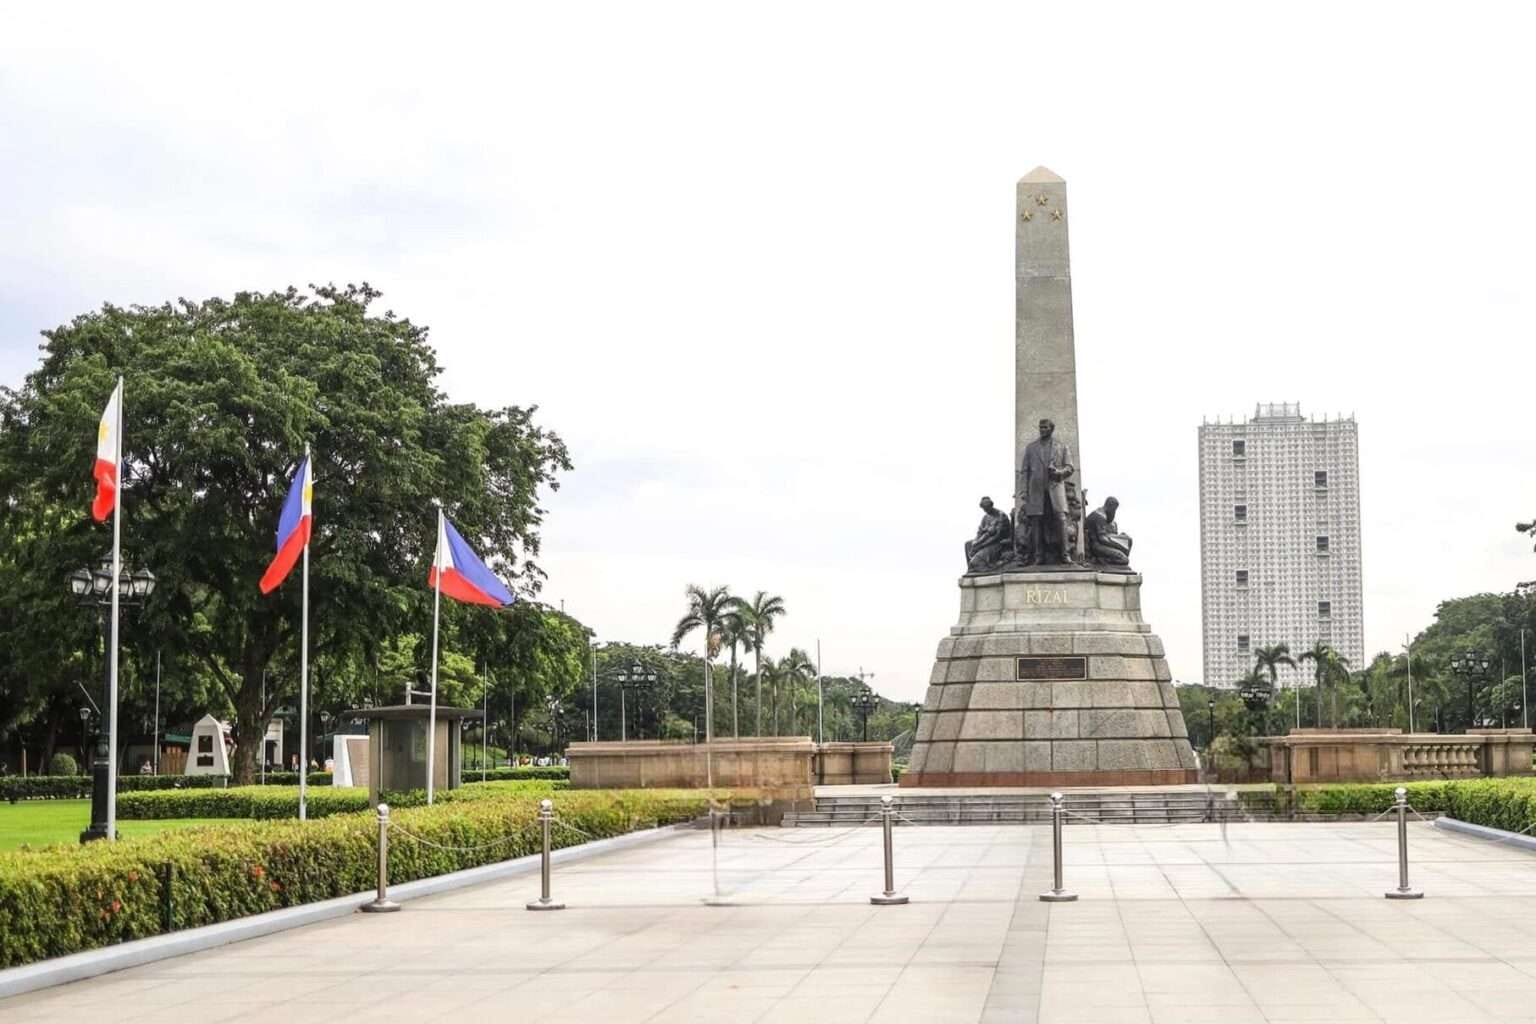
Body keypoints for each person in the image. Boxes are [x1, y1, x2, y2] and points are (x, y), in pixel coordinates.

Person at [1017, 417, 1075, 565]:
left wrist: (1059, 473)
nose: (1042, 430)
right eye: (1040, 427)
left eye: (1045, 427)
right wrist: (1023, 491)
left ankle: (1065, 554)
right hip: (1036, 490)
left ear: (1051, 429)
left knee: (1061, 520)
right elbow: (1024, 471)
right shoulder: (1031, 448)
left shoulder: (1062, 447)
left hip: (1055, 488)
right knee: (1036, 523)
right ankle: (1038, 556)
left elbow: (1070, 468)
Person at [964, 496, 1013, 572]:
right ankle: (972, 566)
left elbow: (997, 536)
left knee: (975, 561)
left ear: (991, 506)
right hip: (985, 540)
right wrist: (976, 542)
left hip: (997, 544)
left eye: (987, 508)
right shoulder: (986, 517)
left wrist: (981, 545)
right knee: (968, 544)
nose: (985, 511)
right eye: (984, 509)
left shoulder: (1000, 516)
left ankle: (983, 566)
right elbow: (980, 531)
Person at [1085, 496, 1133, 567]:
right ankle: (1100, 561)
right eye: (1114, 509)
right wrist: (1121, 546)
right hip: (1096, 546)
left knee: (1127, 541)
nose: (1114, 512)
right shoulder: (1100, 516)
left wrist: (1120, 537)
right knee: (1124, 559)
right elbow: (1102, 539)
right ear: (1110, 506)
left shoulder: (1102, 515)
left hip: (1100, 544)